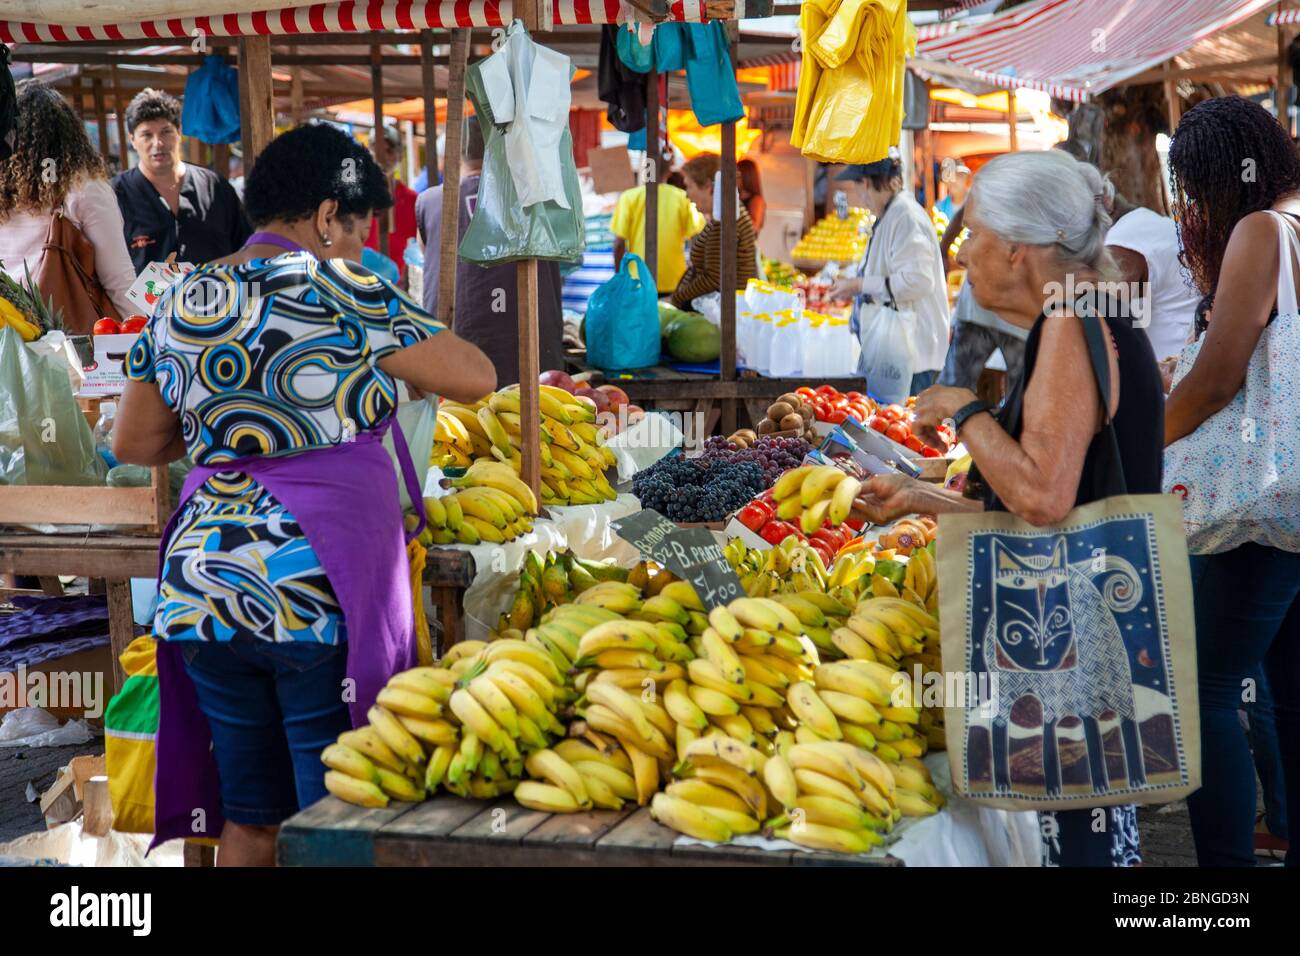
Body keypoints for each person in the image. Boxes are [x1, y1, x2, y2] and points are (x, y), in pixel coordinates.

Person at [111, 122, 495, 867]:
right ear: (326, 215)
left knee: (251, 816)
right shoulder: (346, 288)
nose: (355, 244)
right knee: (337, 811)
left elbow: (133, 442)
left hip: (206, 591)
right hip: (311, 587)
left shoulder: (184, 293)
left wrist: (232, 427)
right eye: (355, 228)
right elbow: (476, 375)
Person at [853, 149, 1164, 866]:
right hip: (1088, 642)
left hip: (1068, 657)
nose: (960, 255)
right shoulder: (1091, 310)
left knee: (1072, 838)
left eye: (973, 238)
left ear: (1017, 249)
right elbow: (1049, 497)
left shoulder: (1069, 322)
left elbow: (1043, 495)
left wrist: (966, 410)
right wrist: (919, 496)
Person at [1163, 94, 1300, 867]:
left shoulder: (1261, 231)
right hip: (1292, 495)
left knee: (1204, 689)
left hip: (1261, 498)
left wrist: (1151, 441)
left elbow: (1218, 376)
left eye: (1200, 187)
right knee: (1288, 694)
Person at [415, 116, 564, 385]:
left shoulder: (430, 201)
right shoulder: (540, 200)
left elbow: (426, 254)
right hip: (536, 362)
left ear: (448, 156)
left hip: (457, 359)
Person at [0, 80, 134, 323]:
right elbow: (118, 278)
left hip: (8, 329)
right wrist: (145, 332)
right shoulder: (84, 188)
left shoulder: (3, 192)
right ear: (71, 133)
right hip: (66, 341)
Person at [829, 155, 950, 396]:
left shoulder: (904, 216)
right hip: (901, 353)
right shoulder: (894, 214)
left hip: (913, 356)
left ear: (865, 183)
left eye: (857, 188)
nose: (861, 199)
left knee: (907, 428)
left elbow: (918, 281)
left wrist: (859, 285)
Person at [112, 88, 251, 273]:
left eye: (166, 132)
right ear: (133, 140)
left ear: (179, 131)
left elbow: (246, 251)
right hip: (147, 302)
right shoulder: (116, 195)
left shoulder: (215, 187)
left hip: (220, 299)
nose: (158, 143)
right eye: (146, 135)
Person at [938, 201, 1028, 390]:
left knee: (1020, 400)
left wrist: (944, 248)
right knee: (951, 390)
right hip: (982, 312)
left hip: (1019, 317)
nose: (960, 258)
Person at [1105, 188, 1200, 365]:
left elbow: (1088, 324)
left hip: (1180, 381)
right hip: (1184, 373)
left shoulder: (1121, 243)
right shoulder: (1143, 222)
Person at [670, 152, 758, 310]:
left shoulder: (725, 221)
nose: (687, 196)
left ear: (708, 188)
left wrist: (676, 298)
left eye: (689, 186)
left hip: (722, 312)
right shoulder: (726, 213)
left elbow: (713, 279)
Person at [611, 171, 706, 296]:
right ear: (668, 172)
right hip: (675, 280)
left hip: (639, 280)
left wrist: (620, 278)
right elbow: (696, 238)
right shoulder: (682, 197)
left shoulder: (629, 197)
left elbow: (619, 244)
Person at [365, 124, 419, 282]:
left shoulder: (413, 200)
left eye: (389, 151)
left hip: (400, 285)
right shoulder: (357, 197)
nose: (383, 157)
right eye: (377, 150)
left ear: (400, 155)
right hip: (360, 282)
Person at [737, 157, 766, 233]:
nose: (734, 178)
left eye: (737, 174)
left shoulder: (756, 200)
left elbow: (753, 227)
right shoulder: (737, 198)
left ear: (746, 176)